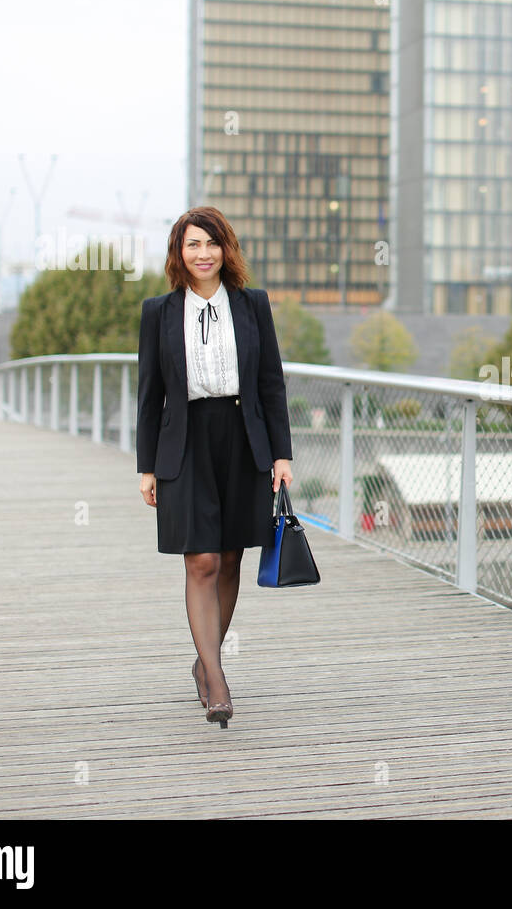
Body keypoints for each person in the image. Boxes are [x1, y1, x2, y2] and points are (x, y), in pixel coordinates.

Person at [136, 206, 293, 728]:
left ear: (226, 249)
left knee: (229, 559)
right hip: (184, 443)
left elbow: (271, 382)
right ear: (178, 254)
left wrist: (281, 454)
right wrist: (146, 466)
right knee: (199, 559)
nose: (202, 254)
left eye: (211, 244)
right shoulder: (158, 312)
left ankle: (205, 663)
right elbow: (149, 394)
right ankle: (218, 679)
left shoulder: (253, 306)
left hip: (242, 440)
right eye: (191, 245)